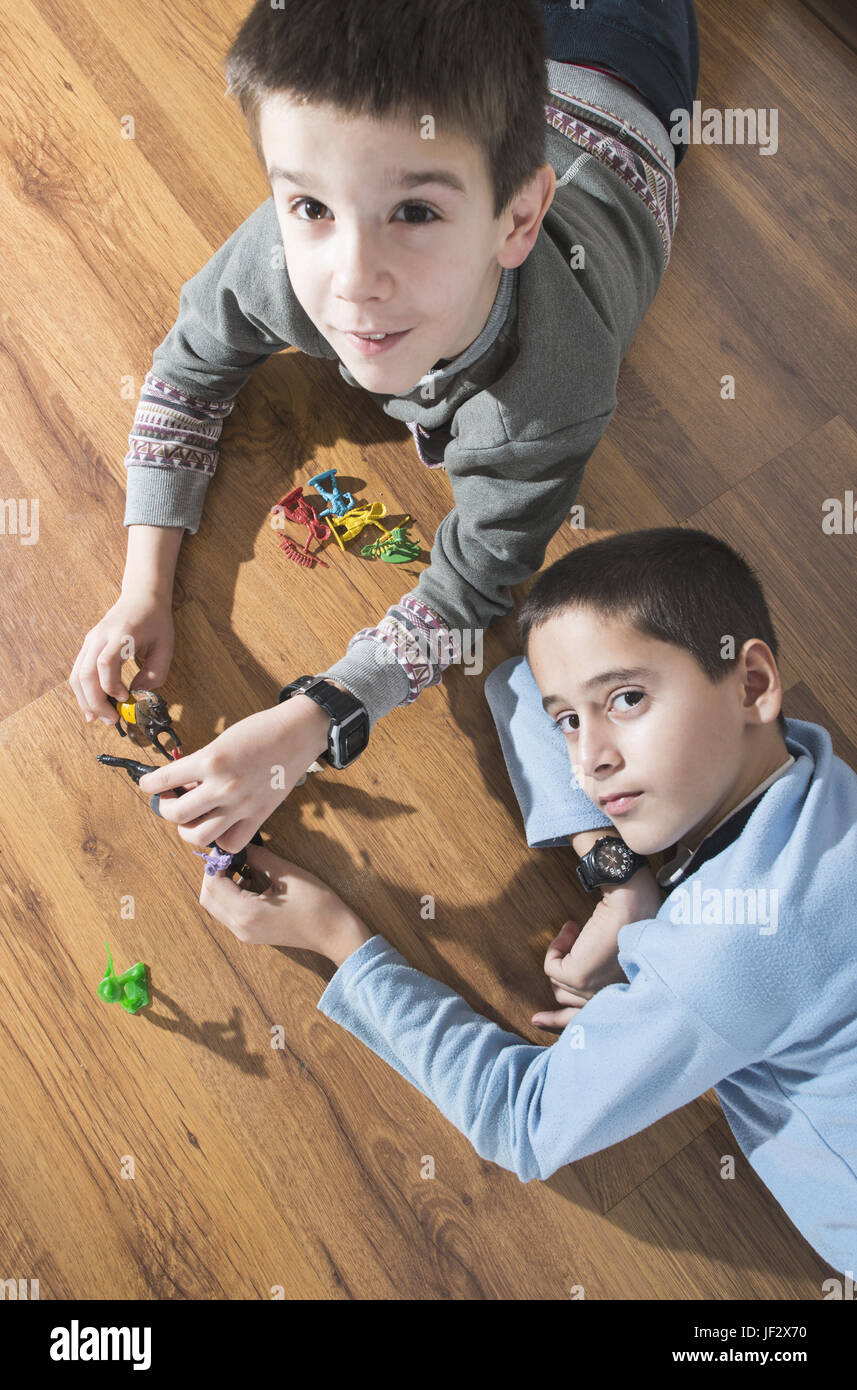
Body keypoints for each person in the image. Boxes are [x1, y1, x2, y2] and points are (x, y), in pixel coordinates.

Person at [68, 0, 698, 856]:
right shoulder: (282, 257)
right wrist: (144, 587)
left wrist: (310, 719)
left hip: (621, 64)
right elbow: (186, 371)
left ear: (517, 221)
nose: (353, 281)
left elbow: (471, 589)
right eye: (310, 207)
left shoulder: (547, 399)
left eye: (415, 215)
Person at [196, 528, 857, 1278]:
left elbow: (522, 1120)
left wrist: (336, 936)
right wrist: (620, 879)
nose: (588, 759)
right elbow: (517, 685)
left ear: (751, 685)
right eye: (570, 720)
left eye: (628, 699)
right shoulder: (810, 770)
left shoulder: (714, 962)